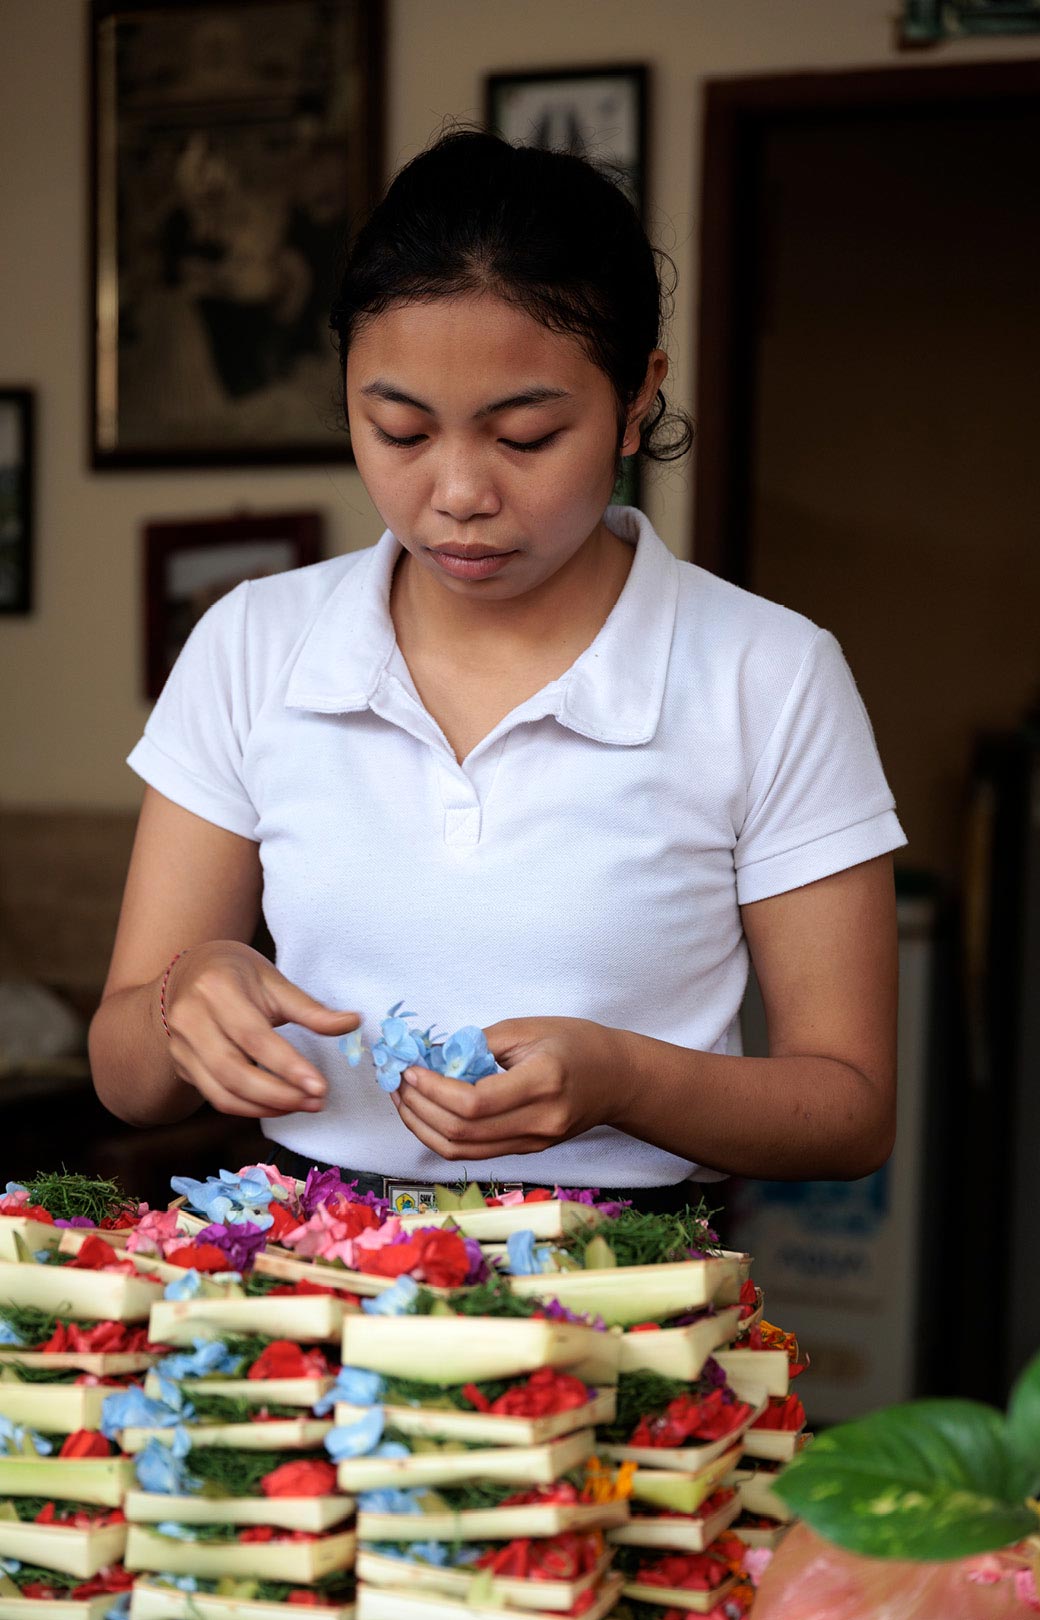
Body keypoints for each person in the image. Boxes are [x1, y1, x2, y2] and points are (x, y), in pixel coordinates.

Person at [90, 131, 906, 1212]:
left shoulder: (770, 672)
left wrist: (627, 1079)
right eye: (400, 429)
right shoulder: (253, 643)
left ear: (636, 398)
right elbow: (123, 1077)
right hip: (303, 1264)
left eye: (524, 436)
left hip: (629, 1285)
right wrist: (179, 1003)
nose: (459, 491)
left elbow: (850, 1107)